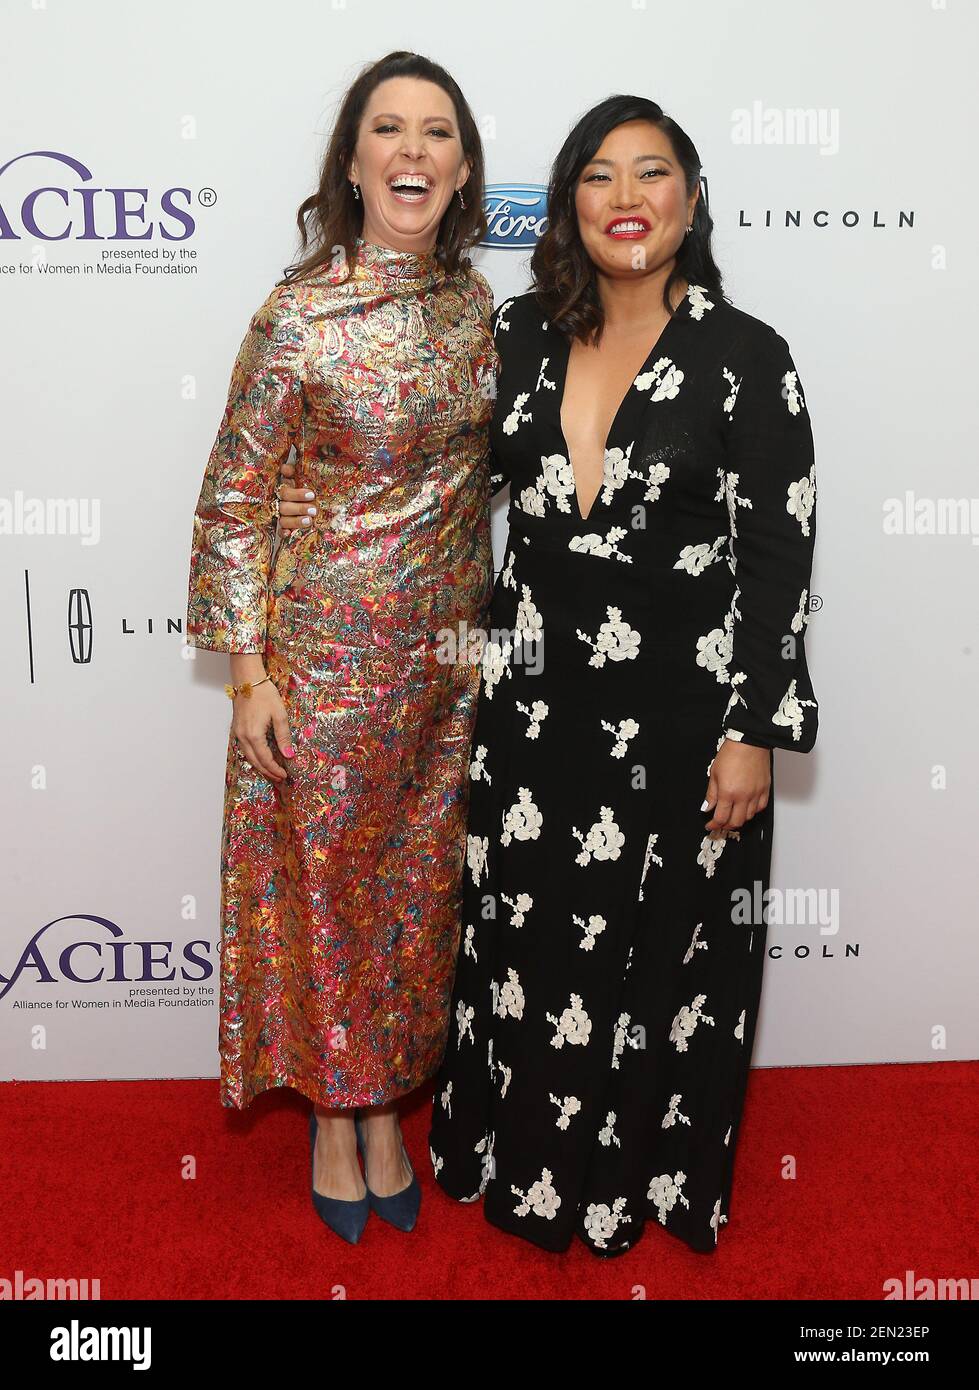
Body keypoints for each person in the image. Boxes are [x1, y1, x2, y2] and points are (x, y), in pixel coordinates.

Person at [278, 93, 819, 1258]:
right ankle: (511, 1157)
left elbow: (777, 560)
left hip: (683, 726)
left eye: (653, 173)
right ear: (568, 203)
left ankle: (633, 1180)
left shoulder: (746, 357)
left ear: (691, 198)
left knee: (661, 953)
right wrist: (321, 612)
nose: (628, 199)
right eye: (599, 177)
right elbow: (418, 486)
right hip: (528, 714)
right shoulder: (514, 334)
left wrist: (753, 730)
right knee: (528, 952)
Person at [185, 51, 497, 1244]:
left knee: (415, 898)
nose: (411, 151)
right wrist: (248, 674)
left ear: (463, 170)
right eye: (388, 130)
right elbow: (233, 498)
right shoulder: (300, 308)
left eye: (436, 133)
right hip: (318, 664)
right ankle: (336, 1111)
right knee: (321, 892)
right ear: (355, 163)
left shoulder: (476, 308)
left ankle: (383, 1099)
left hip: (447, 669)